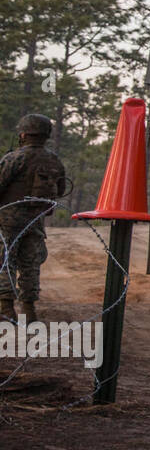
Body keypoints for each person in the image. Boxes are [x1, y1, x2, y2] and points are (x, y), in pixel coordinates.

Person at [0, 114, 67, 321]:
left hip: (9, 221)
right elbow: (61, 188)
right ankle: (29, 311)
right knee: (30, 264)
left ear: (23, 133)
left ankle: (6, 309)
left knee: (5, 261)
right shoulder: (54, 160)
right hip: (35, 220)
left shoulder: (14, 158)